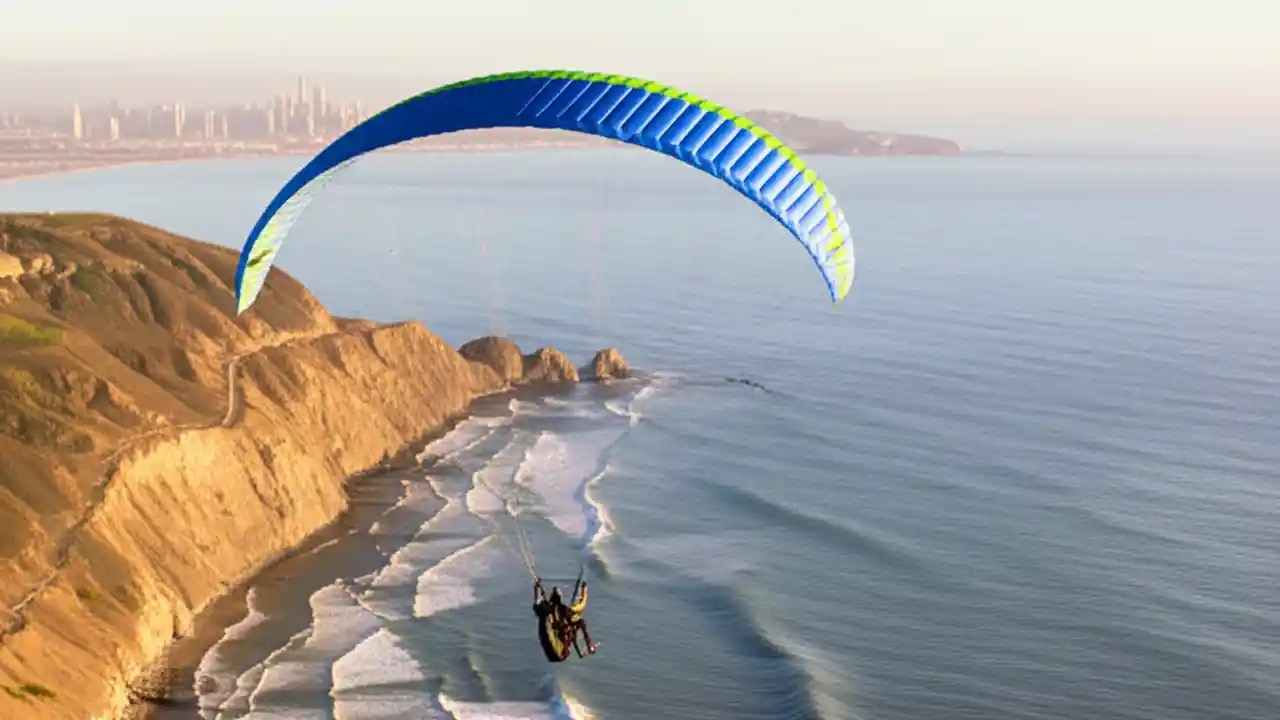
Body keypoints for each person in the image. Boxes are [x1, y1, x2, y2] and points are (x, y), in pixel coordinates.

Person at [553, 580, 598, 657]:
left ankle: (588, 646)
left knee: (578, 628)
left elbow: (583, 601)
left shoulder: (570, 610)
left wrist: (585, 589)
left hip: (572, 620)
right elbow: (583, 602)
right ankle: (587, 647)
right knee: (573, 633)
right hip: (569, 620)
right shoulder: (565, 610)